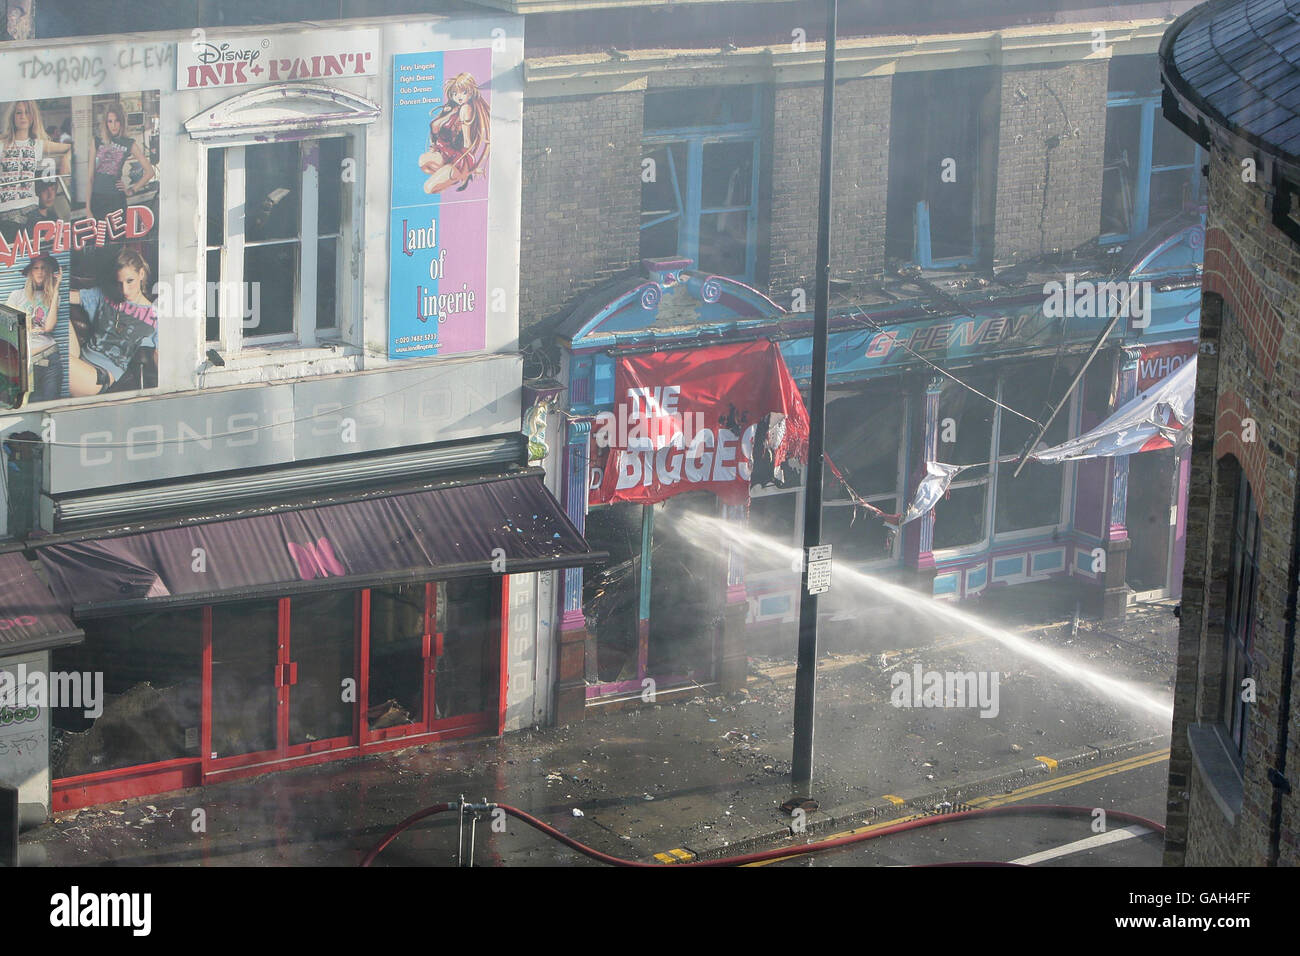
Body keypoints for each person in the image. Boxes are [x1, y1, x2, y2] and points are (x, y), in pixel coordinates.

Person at [67, 247, 156, 397]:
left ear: (141, 274)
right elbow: (66, 297)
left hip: (99, 376)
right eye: (119, 283)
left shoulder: (155, 316)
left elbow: (161, 358)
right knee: (58, 309)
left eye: (130, 281)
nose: (125, 290)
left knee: (54, 362)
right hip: (79, 359)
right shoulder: (105, 296)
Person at [0, 101, 72, 240]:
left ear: (33, 117)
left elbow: (69, 148)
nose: (23, 117)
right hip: (5, 214)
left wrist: (65, 160)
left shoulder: (38, 144)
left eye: (27, 113)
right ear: (12, 117)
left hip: (31, 211)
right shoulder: (2, 144)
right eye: (19, 112)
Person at [418, 72, 490, 195]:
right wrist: (449, 113)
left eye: (464, 92)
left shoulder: (465, 109)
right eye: (455, 93)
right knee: (423, 161)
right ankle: (449, 176)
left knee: (427, 188)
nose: (459, 96)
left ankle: (457, 175)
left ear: (471, 92)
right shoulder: (455, 109)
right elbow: (434, 127)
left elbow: (467, 141)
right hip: (448, 153)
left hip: (460, 159)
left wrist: (469, 165)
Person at [6, 253, 63, 402]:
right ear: (31, 271)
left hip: (51, 359)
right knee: (29, 405)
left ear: (49, 271)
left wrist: (56, 291)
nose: (40, 272)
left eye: (43, 268)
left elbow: (49, 327)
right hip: (27, 363)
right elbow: (5, 328)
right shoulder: (16, 296)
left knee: (51, 407)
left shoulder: (53, 297)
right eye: (36, 268)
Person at [89, 102, 154, 221]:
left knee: (117, 238)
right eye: (110, 121)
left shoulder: (129, 143)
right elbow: (90, 178)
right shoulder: (97, 141)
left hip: (116, 200)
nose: (113, 125)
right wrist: (88, 210)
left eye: (117, 121)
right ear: (105, 123)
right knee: (98, 239)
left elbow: (150, 172)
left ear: (122, 122)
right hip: (97, 199)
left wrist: (132, 190)